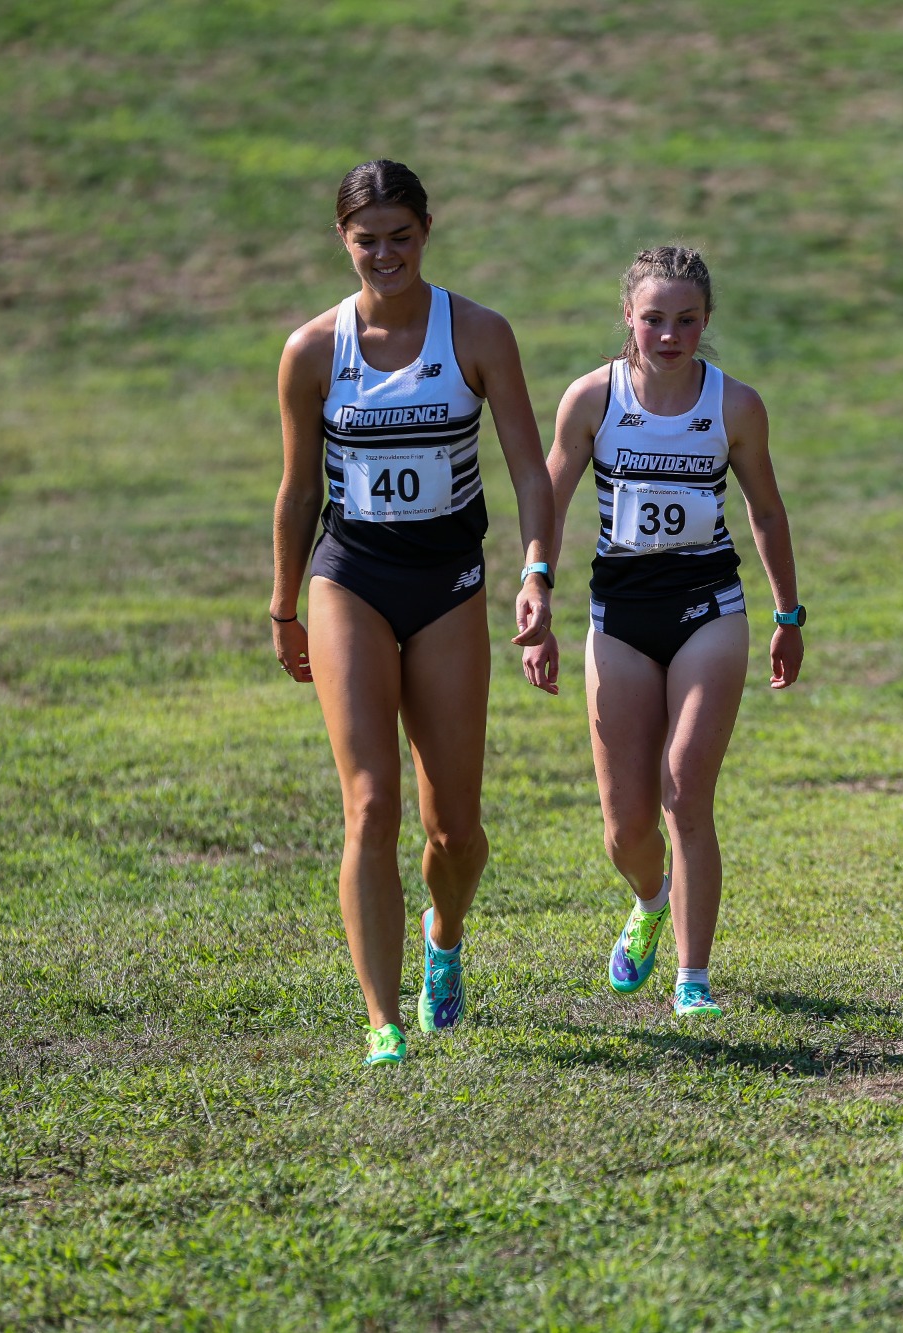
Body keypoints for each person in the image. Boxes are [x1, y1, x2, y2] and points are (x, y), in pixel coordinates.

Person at [269, 160, 557, 1066]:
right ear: (343, 243)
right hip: (349, 575)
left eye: (400, 235)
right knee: (369, 802)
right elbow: (294, 490)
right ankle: (382, 1019)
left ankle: (445, 937)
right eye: (367, 240)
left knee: (455, 830)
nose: (384, 253)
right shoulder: (313, 350)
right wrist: (285, 606)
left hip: (449, 584)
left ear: (427, 230)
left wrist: (537, 570)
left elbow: (527, 468)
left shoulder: (477, 332)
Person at [526, 246, 803, 1020]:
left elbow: (768, 511)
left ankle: (693, 978)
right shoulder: (592, 399)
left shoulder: (735, 405)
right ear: (629, 317)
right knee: (626, 827)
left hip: (708, 603)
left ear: (706, 321)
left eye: (686, 320)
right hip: (619, 612)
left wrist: (788, 613)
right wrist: (535, 581)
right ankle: (652, 897)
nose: (669, 334)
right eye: (654, 319)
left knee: (686, 791)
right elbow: (545, 498)